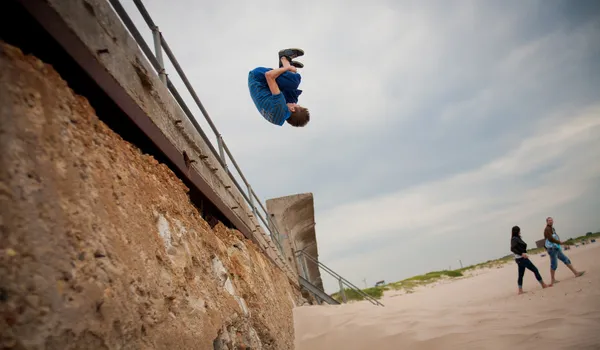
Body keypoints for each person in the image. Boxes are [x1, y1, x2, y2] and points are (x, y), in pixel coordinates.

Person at [247, 49, 310, 127]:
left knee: (293, 81)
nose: (295, 104)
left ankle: (285, 58)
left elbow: (269, 75)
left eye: (297, 106)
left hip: (258, 77)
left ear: (293, 109)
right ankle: (286, 69)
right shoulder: (280, 117)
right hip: (265, 88)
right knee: (292, 98)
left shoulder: (279, 105)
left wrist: (288, 68)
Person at [544, 217, 585, 285]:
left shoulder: (552, 228)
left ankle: (576, 273)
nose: (551, 221)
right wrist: (560, 242)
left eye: (551, 220)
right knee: (554, 265)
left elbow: (555, 237)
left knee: (566, 259)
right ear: (547, 222)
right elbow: (550, 239)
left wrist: (560, 244)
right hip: (552, 249)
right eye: (549, 221)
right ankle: (553, 280)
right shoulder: (547, 229)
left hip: (556, 248)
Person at [511, 226, 550, 295]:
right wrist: (522, 254)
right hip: (521, 259)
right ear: (517, 231)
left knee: (521, 274)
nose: (520, 232)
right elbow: (512, 249)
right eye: (519, 230)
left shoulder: (516, 238)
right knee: (535, 270)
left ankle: (520, 291)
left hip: (520, 259)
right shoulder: (514, 239)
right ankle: (543, 285)